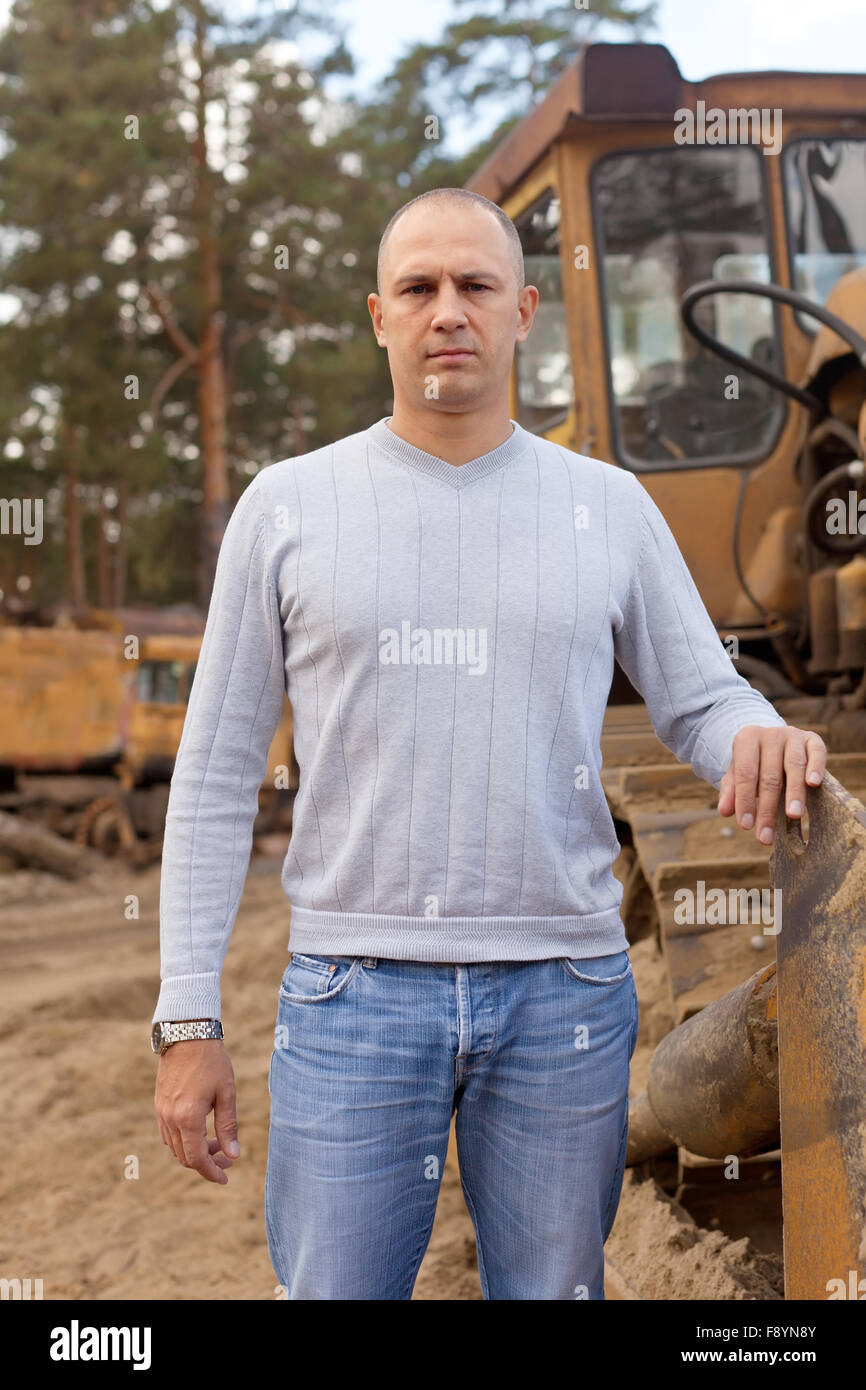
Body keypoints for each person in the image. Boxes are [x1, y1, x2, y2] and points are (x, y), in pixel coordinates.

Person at [153, 187, 827, 1300]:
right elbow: (218, 775)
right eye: (418, 287)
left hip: (561, 992)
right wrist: (186, 1017)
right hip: (351, 999)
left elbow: (703, 701)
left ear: (521, 312)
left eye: (473, 286)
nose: (446, 311)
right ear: (379, 316)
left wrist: (761, 736)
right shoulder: (286, 509)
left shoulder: (606, 506)